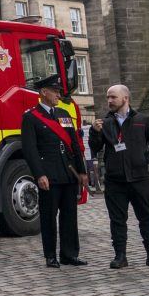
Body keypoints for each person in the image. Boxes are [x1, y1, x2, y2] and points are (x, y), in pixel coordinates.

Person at [89, 84, 149, 269]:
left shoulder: (143, 120)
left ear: (125, 98)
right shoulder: (105, 123)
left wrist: (147, 158)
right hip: (115, 180)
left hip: (139, 178)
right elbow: (94, 148)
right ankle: (120, 256)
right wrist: (94, 133)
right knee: (117, 220)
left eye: (113, 97)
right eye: (108, 97)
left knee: (146, 217)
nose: (109, 101)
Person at [21, 79, 88, 268]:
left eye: (59, 92)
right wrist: (39, 174)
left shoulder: (64, 114)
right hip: (49, 175)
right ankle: (50, 255)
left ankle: (69, 254)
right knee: (49, 217)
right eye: (55, 91)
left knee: (69, 216)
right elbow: (30, 150)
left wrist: (82, 171)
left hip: (68, 172)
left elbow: (75, 145)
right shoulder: (31, 117)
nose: (59, 95)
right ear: (43, 92)